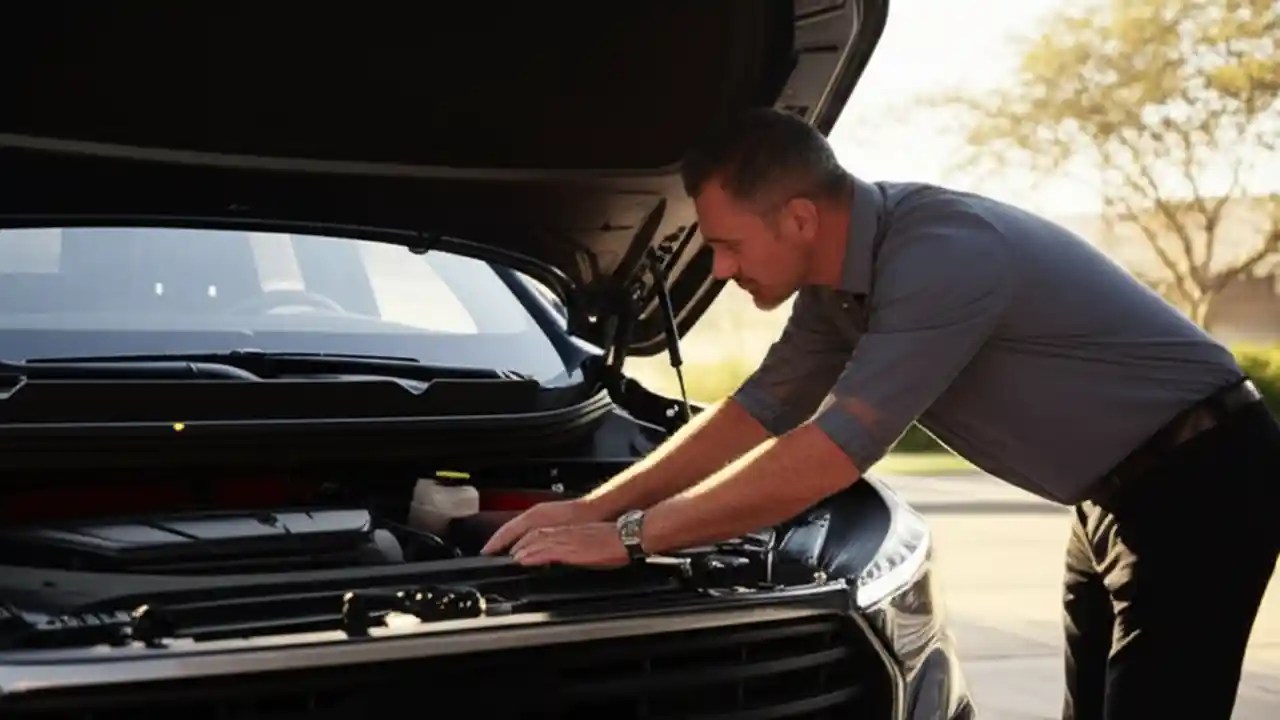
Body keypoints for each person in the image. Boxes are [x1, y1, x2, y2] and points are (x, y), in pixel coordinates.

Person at [480, 107, 1279, 720]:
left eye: (727, 245)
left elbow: (829, 453)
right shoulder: (837, 291)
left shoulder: (940, 257)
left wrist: (631, 540)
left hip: (1203, 483)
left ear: (798, 219)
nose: (719, 271)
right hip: (1111, 499)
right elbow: (753, 412)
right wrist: (593, 504)